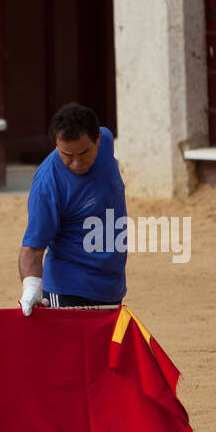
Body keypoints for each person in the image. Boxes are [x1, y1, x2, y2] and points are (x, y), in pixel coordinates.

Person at [19, 102, 127, 314]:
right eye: (66, 154)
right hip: (69, 291)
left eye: (84, 153)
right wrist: (31, 287)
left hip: (112, 286)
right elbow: (32, 248)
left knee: (104, 348)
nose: (76, 163)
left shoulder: (105, 139)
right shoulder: (47, 185)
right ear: (56, 145)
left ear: (97, 139)